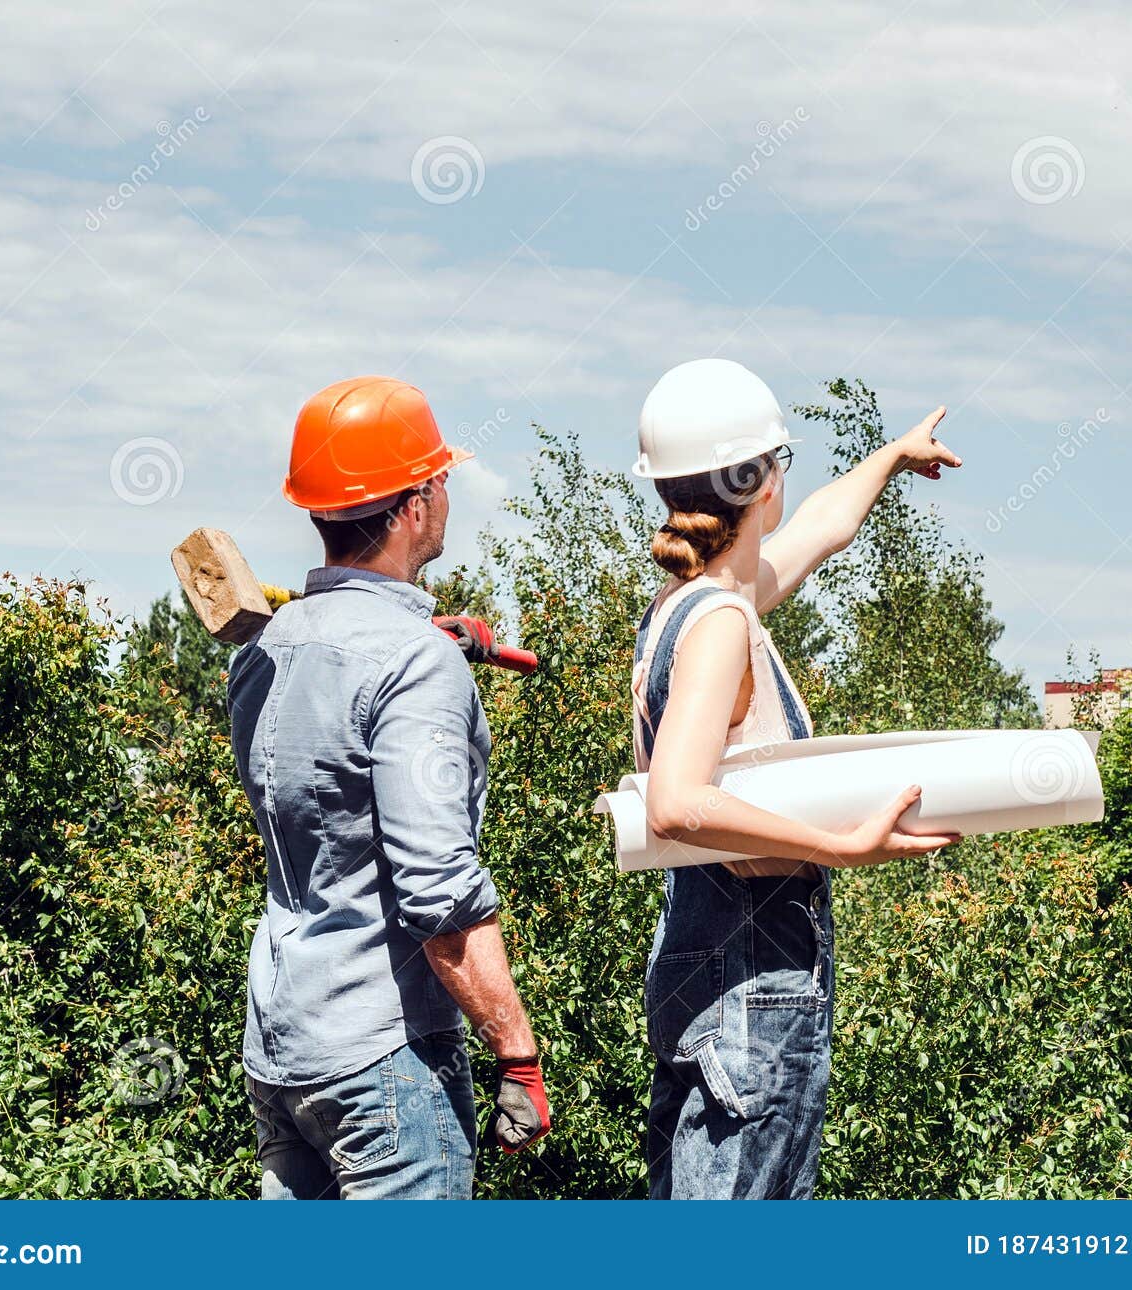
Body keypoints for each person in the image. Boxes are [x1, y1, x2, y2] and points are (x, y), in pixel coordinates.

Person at [630, 359, 963, 1199]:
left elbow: (820, 529)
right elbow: (677, 802)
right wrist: (841, 848)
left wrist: (889, 457)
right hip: (753, 973)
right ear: (761, 480)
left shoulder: (691, 605)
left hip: (703, 959)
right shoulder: (718, 627)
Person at [228, 375, 551, 1200]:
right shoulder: (414, 666)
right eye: (439, 479)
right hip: (384, 1055)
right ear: (413, 507)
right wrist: (517, 1050)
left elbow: (322, 753)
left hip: (285, 1043)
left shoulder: (265, 650)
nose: (447, 493)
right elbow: (438, 893)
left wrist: (419, 638)